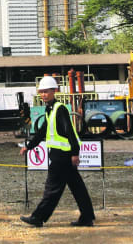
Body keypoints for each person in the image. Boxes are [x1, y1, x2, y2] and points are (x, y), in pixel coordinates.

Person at [19, 76, 95, 228]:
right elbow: (43, 131)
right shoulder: (50, 110)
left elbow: (70, 132)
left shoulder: (59, 109)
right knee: (77, 187)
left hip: (62, 156)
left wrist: (75, 153)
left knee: (52, 189)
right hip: (61, 155)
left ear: (54, 91)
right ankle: (87, 217)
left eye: (46, 92)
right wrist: (30, 146)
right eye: (41, 92)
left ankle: (38, 217)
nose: (43, 95)